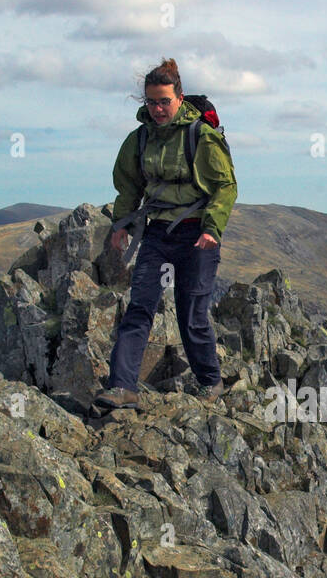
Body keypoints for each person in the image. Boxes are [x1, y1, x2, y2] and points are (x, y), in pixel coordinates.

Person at [95, 57, 237, 411]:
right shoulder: (139, 139)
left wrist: (212, 229)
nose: (157, 109)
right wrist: (121, 224)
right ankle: (122, 386)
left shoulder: (200, 136)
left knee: (192, 314)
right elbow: (128, 185)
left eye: (164, 101)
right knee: (139, 307)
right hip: (157, 233)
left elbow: (225, 187)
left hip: (196, 237)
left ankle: (210, 382)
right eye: (151, 101)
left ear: (180, 97)